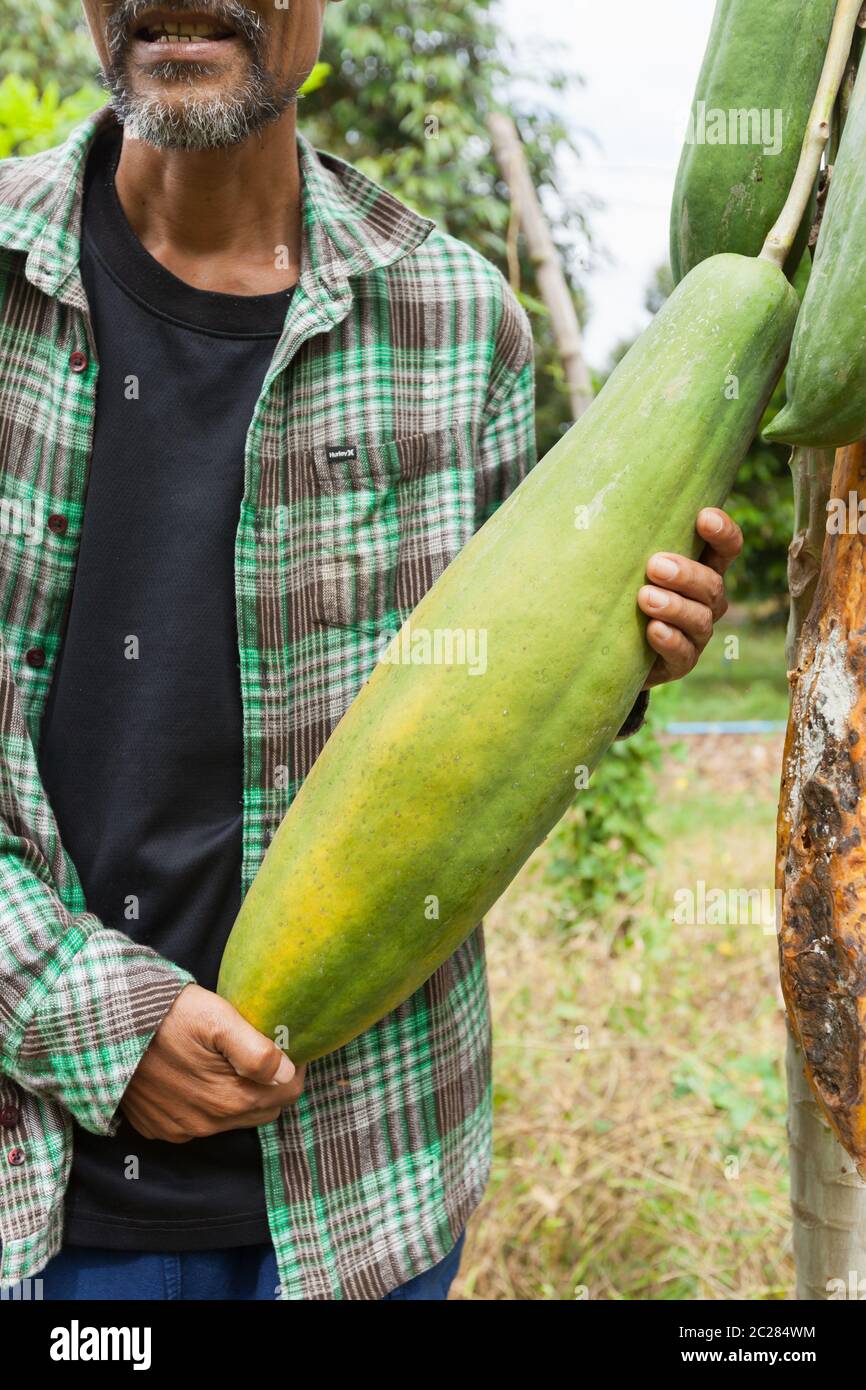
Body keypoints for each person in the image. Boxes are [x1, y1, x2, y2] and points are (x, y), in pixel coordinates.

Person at [0, 0, 743, 1301]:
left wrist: (630, 653)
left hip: (364, 1200)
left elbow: (512, 701)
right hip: (38, 1207)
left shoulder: (463, 324)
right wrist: (90, 1015)